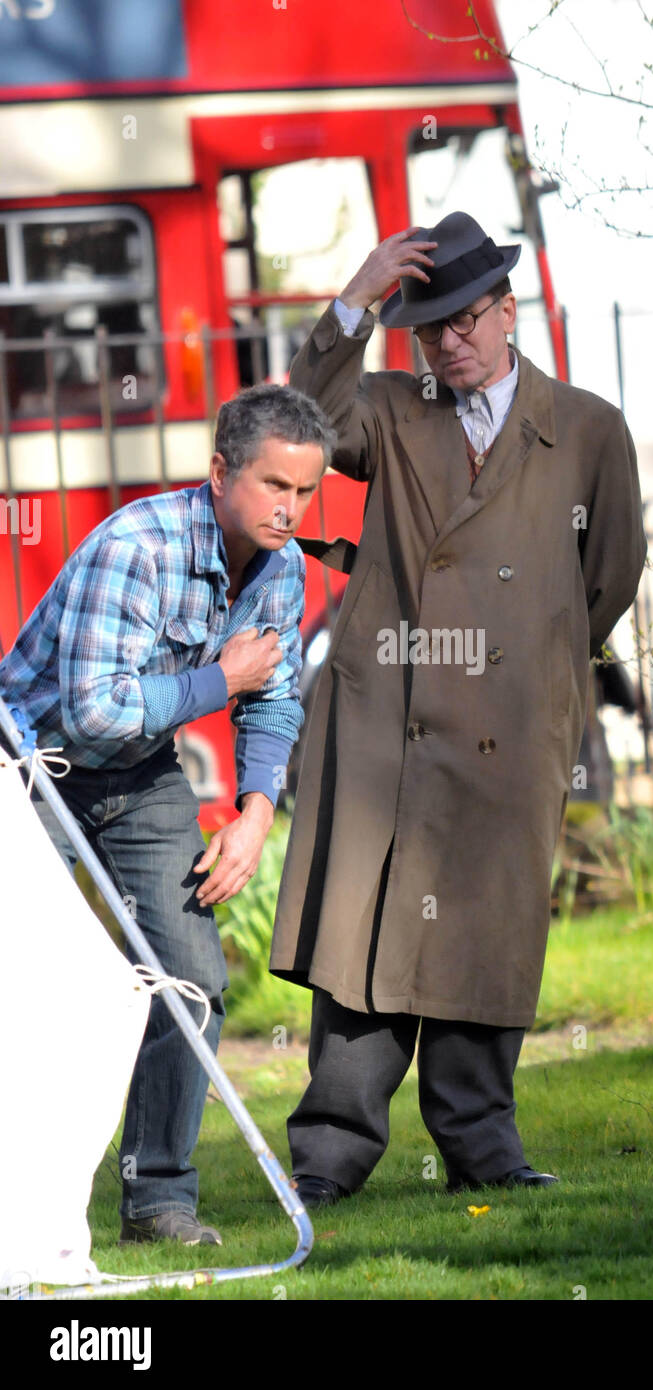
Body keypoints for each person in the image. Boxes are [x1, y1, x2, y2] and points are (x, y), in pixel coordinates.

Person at [269, 212, 647, 1208]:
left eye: (466, 320)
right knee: (366, 935)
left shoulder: (589, 430)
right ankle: (328, 1157)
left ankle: (481, 1146)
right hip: (388, 716)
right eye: (429, 327)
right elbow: (290, 426)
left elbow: (605, 578)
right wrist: (355, 297)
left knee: (484, 930)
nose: (449, 341)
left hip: (508, 730)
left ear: (507, 310)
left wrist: (530, 674)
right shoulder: (391, 410)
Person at [0, 384, 335, 1245]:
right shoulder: (136, 548)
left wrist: (257, 811)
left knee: (192, 978)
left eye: (304, 490)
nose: (290, 510)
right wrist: (218, 681)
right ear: (220, 472)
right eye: (272, 486)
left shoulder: (283, 569)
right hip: (28, 766)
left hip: (138, 775)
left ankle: (157, 1201)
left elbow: (278, 699)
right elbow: (93, 710)